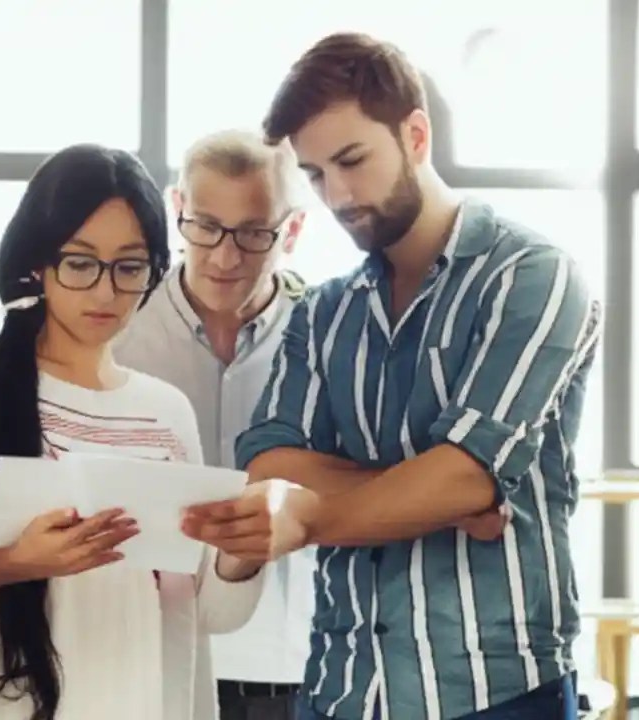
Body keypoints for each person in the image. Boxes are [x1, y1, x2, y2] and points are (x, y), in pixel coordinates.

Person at [181, 32, 600, 720]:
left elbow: (468, 472)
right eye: (316, 175)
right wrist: (431, 493)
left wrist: (312, 513)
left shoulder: (534, 277)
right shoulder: (320, 312)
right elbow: (268, 465)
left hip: (498, 694)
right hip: (341, 690)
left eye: (352, 160)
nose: (338, 195)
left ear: (415, 134)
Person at [0, 144, 266, 720]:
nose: (105, 293)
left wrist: (243, 554)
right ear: (36, 263)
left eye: (129, 267)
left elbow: (211, 614)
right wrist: (19, 561)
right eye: (80, 263)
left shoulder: (165, 409)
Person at [112, 129, 315, 720]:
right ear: (177, 210)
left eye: (254, 233)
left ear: (293, 231)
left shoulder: (327, 337)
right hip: (149, 665)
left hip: (293, 669)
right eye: (205, 227)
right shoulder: (117, 332)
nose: (225, 257)